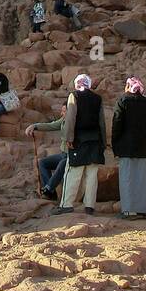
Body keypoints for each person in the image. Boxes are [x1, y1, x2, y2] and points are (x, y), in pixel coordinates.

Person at [55, 73, 106, 216]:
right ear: (88, 84)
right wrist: (103, 142)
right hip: (95, 140)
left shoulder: (74, 96)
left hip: (79, 140)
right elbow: (101, 122)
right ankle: (90, 206)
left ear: (77, 84)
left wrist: (68, 138)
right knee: (91, 175)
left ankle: (66, 204)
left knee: (73, 173)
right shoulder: (98, 98)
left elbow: (71, 118)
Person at [111, 77, 146, 219]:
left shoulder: (122, 101)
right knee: (144, 180)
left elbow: (117, 124)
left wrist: (116, 144)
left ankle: (130, 210)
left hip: (126, 147)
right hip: (143, 146)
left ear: (127, 87)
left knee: (128, 178)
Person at [25, 117, 67, 200]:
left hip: (74, 155)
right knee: (43, 162)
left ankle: (48, 190)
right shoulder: (64, 120)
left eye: (64, 111)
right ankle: (51, 193)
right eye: (62, 111)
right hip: (64, 153)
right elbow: (51, 125)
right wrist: (35, 126)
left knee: (62, 163)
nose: (62, 114)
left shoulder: (77, 122)